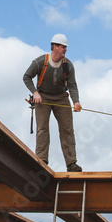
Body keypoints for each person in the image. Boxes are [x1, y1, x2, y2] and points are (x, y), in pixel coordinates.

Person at [22, 33, 83, 172]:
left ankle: (71, 163)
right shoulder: (40, 62)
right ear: (54, 47)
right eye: (62, 47)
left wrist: (76, 102)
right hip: (43, 98)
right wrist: (35, 93)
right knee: (42, 129)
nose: (65, 49)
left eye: (65, 47)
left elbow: (72, 85)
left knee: (67, 130)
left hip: (62, 98)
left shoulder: (68, 65)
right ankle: (41, 161)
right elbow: (26, 77)